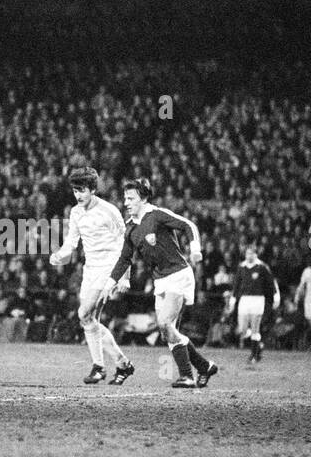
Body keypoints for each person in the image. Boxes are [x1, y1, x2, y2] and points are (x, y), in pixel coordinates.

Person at [104, 177, 216, 389]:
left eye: (131, 198)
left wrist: (195, 248)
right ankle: (204, 366)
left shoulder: (156, 215)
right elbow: (124, 259)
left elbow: (188, 224)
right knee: (167, 331)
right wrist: (110, 283)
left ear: (143, 198)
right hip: (160, 280)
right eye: (125, 198)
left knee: (165, 324)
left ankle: (187, 376)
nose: (126, 202)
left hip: (179, 274)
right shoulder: (130, 228)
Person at [48, 165, 135, 385]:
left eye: (82, 191)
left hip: (109, 269)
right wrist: (60, 255)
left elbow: (126, 245)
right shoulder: (76, 212)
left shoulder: (110, 211)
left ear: (93, 190)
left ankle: (104, 366)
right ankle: (118, 365)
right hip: (90, 269)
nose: (78, 196)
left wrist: (124, 277)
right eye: (75, 191)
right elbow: (72, 243)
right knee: (87, 318)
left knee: (84, 312)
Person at [232, 244, 280, 363]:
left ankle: (254, 355)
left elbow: (271, 282)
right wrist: (233, 299)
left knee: (255, 328)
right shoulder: (241, 267)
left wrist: (276, 296)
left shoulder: (262, 267)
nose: (249, 256)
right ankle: (259, 346)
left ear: (256, 254)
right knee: (242, 330)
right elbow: (236, 285)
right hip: (244, 300)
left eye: (252, 253)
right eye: (247, 253)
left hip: (257, 300)